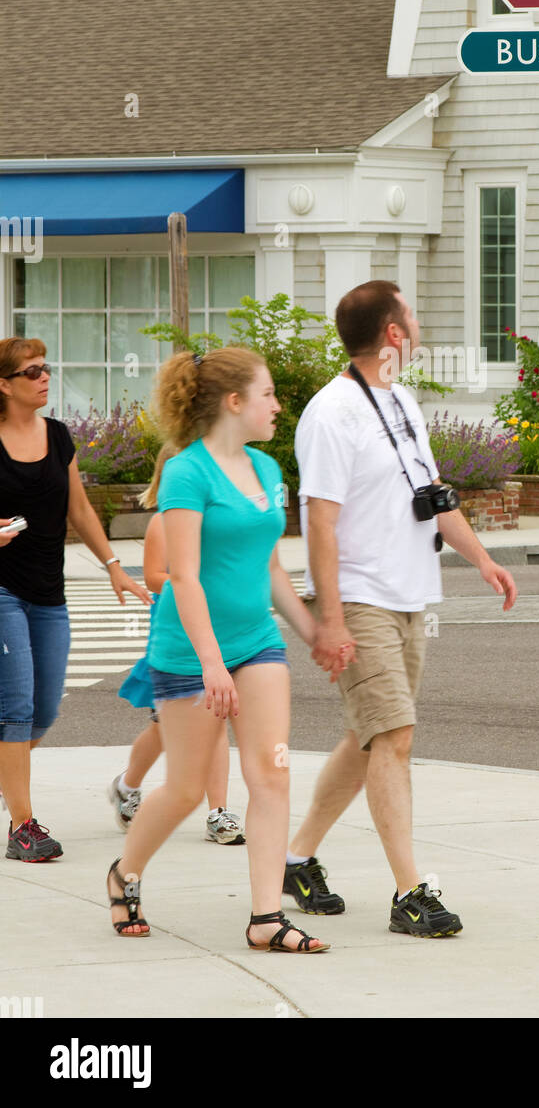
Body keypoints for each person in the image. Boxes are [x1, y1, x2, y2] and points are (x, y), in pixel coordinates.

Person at [284, 281, 518, 936]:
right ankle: (409, 892)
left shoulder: (401, 402)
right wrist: (329, 617)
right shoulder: (332, 415)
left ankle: (296, 859)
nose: (417, 323)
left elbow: (435, 497)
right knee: (394, 737)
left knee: (371, 738)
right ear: (392, 333)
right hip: (360, 597)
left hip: (411, 592)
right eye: (410, 313)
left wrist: (484, 560)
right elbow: (320, 524)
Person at [107, 346, 342, 952]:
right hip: (189, 651)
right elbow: (182, 576)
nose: (277, 406)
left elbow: (268, 566)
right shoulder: (188, 472)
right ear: (234, 402)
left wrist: (312, 630)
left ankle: (266, 917)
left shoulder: (267, 470)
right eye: (267, 395)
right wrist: (212, 662)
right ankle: (125, 872)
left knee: (272, 774)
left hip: (257, 642)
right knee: (186, 790)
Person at [0, 337, 151, 861]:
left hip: (49, 591)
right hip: (1, 591)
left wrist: (115, 567)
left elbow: (80, 510)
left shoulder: (58, 436)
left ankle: (8, 778)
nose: (45, 376)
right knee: (14, 710)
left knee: (42, 712)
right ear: (4, 384)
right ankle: (24, 827)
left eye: (46, 367)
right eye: (32, 371)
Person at [109, 443, 245, 845]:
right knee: (164, 727)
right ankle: (128, 785)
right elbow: (153, 577)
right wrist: (190, 583)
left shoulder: (215, 522)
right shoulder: (162, 523)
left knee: (215, 716)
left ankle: (218, 812)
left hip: (213, 627)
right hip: (173, 630)